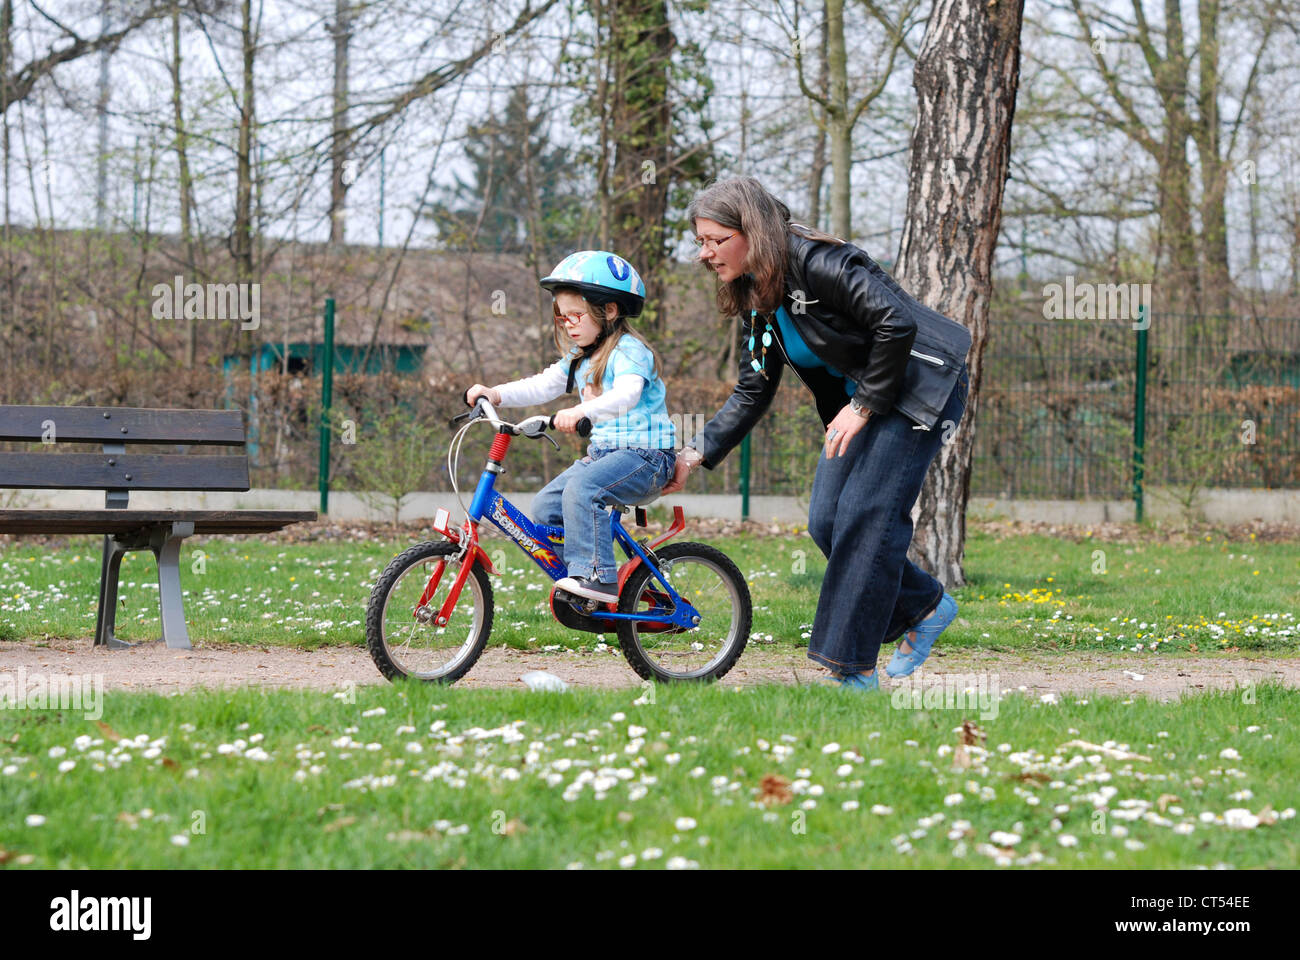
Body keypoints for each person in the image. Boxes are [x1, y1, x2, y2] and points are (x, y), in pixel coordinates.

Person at [661, 177, 972, 690]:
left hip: (920, 385)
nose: (705, 253)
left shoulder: (818, 262)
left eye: (715, 239)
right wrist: (694, 453)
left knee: (866, 515)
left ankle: (852, 671)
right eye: (700, 241)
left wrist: (863, 405)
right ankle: (925, 607)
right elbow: (753, 389)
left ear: (752, 230)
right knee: (827, 521)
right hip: (866, 400)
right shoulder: (757, 296)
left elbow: (895, 323)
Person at [465, 250, 676, 604]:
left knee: (581, 488)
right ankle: (583, 588)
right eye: (563, 318)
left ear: (609, 311)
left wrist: (582, 410)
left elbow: (628, 393)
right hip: (606, 456)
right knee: (547, 506)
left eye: (577, 314)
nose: (569, 324)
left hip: (647, 457)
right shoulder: (581, 358)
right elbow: (543, 384)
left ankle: (597, 577)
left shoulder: (629, 351)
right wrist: (495, 394)